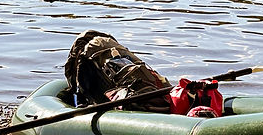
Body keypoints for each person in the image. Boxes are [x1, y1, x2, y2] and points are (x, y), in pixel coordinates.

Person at [64, 30, 223, 116]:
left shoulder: (86, 61)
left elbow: (81, 92)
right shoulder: (104, 54)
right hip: (151, 95)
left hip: (140, 97)